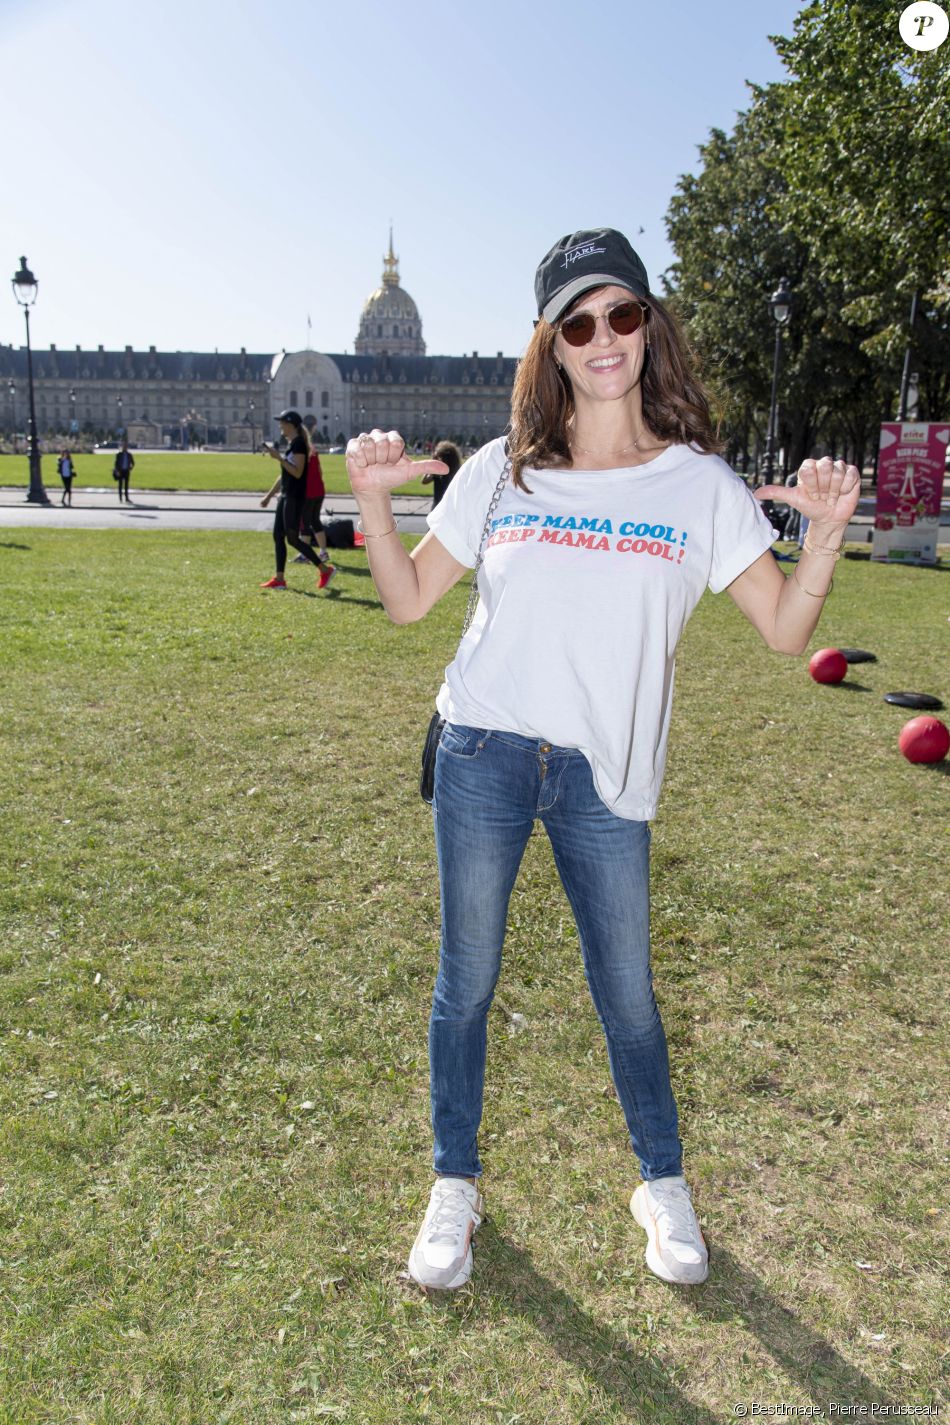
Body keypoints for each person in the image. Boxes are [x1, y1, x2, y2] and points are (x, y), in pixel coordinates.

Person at [345, 227, 861, 1294]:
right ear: (552, 345)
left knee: (626, 994)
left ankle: (659, 1184)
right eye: (576, 323)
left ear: (647, 325)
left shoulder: (698, 486)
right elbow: (405, 604)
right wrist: (371, 498)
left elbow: (779, 631)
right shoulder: (501, 469)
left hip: (603, 779)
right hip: (482, 746)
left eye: (620, 313)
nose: (602, 338)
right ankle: (453, 1185)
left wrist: (819, 541)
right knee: (465, 983)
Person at [259, 410, 326, 590]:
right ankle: (279, 579)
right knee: (278, 536)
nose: (280, 426)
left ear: (291, 425)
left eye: (282, 423)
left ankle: (324, 569)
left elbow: (297, 472)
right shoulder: (292, 444)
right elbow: (284, 476)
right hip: (286, 496)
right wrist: (268, 496)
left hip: (295, 498)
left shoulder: (298, 445)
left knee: (292, 539)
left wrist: (279, 458)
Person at [293, 443, 337, 588]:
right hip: (319, 489)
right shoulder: (313, 449)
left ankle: (305, 554)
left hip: (308, 491)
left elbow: (297, 473)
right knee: (314, 520)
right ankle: (323, 552)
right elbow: (319, 470)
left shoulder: (299, 450)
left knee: (304, 522)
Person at [420, 439, 462, 508]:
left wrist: (431, 464)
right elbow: (424, 481)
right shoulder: (456, 472)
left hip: (439, 507)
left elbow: (424, 480)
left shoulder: (439, 472)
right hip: (449, 507)